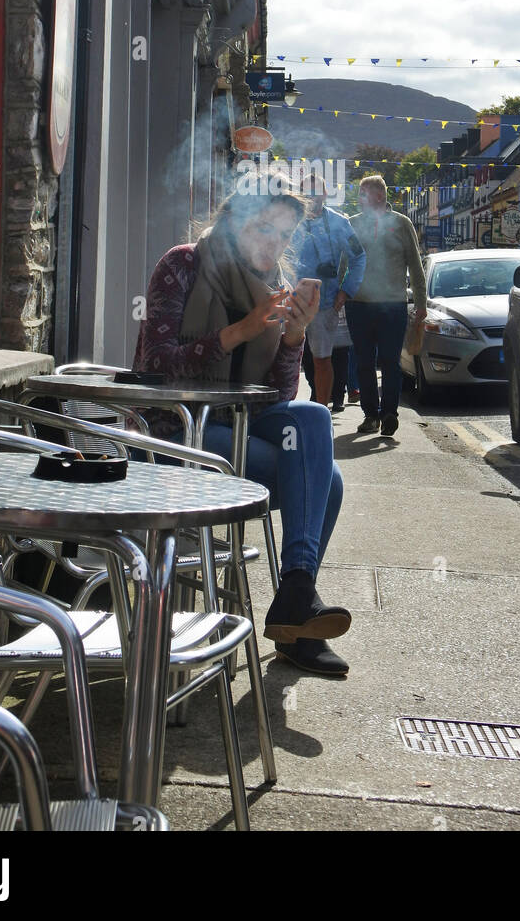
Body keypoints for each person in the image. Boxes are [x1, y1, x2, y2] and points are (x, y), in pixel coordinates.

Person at [132, 169, 351, 677]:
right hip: (177, 431)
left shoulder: (274, 289)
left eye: (283, 234)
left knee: (315, 422)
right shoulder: (184, 265)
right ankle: (297, 612)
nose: (273, 244)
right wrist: (237, 333)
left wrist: (292, 340)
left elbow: (277, 397)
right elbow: (156, 365)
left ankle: (295, 599)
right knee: (326, 482)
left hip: (243, 426)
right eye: (263, 228)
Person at [346, 175, 427, 437]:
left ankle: (389, 412)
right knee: (364, 362)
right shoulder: (353, 224)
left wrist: (421, 303)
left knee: (391, 362)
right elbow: (342, 263)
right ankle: (371, 415)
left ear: (380, 196)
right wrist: (338, 294)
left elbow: (415, 266)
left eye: (364, 193)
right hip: (359, 304)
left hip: (393, 304)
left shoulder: (402, 224)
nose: (359, 199)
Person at [291, 172, 366, 408]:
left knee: (322, 360)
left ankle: (321, 413)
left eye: (316, 191)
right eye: (307, 192)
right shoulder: (289, 221)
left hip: (325, 304)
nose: (312, 197)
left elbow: (359, 257)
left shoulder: (339, 222)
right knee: (287, 360)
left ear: (325, 193)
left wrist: (346, 291)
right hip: (291, 303)